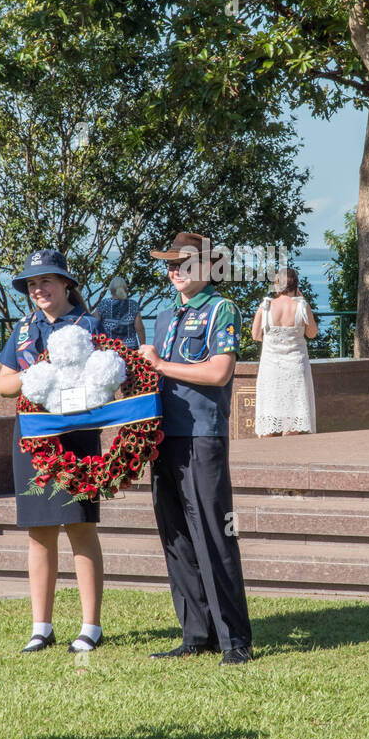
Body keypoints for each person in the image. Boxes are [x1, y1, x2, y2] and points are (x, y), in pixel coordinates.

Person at [138, 231, 253, 665]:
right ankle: (195, 632)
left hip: (201, 435)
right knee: (176, 535)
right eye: (169, 264)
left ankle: (234, 640)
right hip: (163, 436)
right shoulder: (165, 316)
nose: (174, 271)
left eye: (183, 263)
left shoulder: (221, 309)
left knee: (213, 532)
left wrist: (161, 365)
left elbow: (220, 372)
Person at [0, 249, 106, 655]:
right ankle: (41, 627)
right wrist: (36, 372)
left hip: (76, 436)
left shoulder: (91, 325)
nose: (38, 289)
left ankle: (90, 626)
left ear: (65, 285)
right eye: (31, 284)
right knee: (39, 534)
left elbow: (111, 377)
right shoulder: (24, 329)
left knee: (81, 528)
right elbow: (3, 384)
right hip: (33, 437)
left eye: (46, 281)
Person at [252, 267, 318, 437]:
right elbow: (312, 333)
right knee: (291, 421)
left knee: (269, 415)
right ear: (296, 286)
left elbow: (256, 335)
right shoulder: (302, 307)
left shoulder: (265, 306)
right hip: (296, 368)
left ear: (277, 285)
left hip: (270, 368)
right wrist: (301, 298)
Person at [93, 276, 145, 350]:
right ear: (126, 290)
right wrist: (143, 346)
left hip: (109, 349)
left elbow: (94, 323)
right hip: (130, 351)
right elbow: (139, 328)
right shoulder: (133, 305)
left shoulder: (104, 304)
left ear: (111, 290)